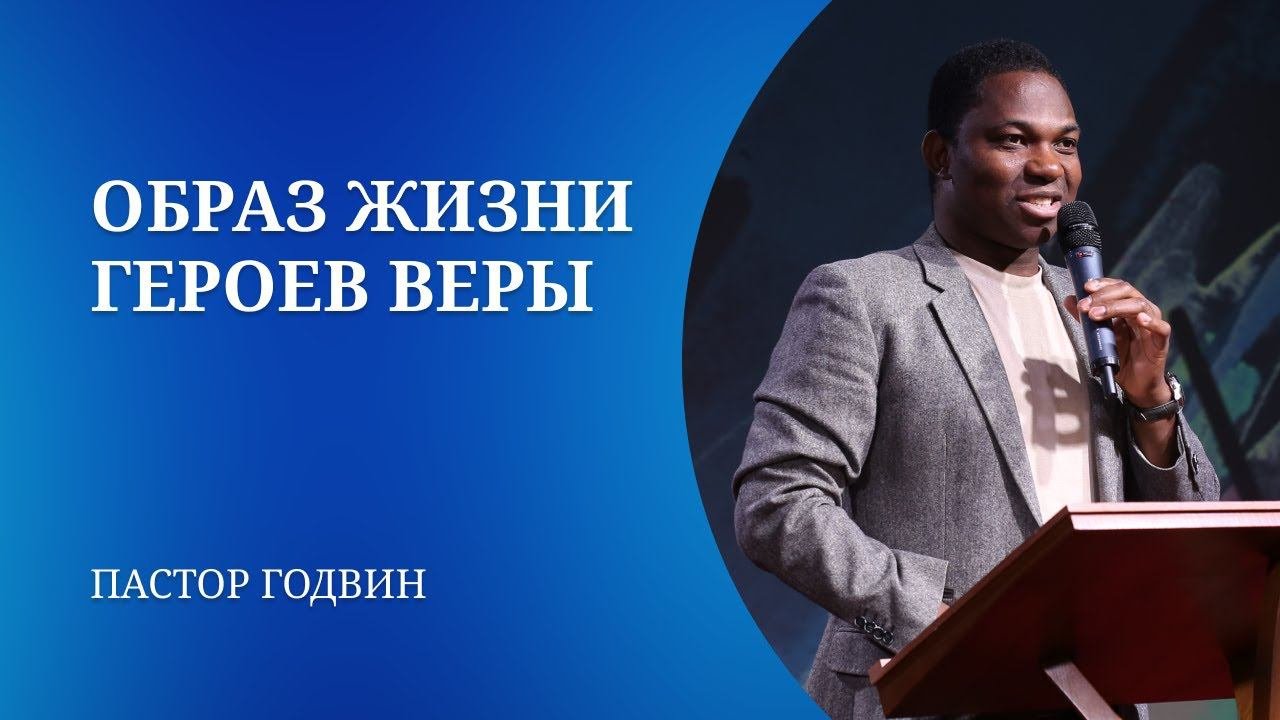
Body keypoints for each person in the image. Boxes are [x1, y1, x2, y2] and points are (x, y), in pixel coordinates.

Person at [732, 39, 1219, 720]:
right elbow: (776, 504)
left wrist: (1150, 402)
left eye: (1066, 144)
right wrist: (936, 619)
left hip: (1090, 696)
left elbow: (1190, 525)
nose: (1048, 166)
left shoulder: (1099, 318)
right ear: (941, 155)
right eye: (1014, 140)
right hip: (932, 691)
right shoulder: (864, 297)